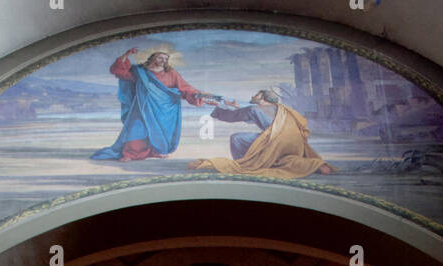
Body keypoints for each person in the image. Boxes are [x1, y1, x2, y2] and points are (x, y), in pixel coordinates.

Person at [93, 48, 223, 162]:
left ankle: (156, 151)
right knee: (136, 128)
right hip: (141, 107)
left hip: (164, 108)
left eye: (166, 58)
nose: (163, 60)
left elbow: (184, 88)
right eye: (160, 57)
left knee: (159, 131)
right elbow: (120, 72)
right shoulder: (140, 71)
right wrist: (126, 55)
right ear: (152, 57)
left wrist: (199, 96)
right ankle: (130, 153)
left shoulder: (171, 73)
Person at [191, 89, 334, 178]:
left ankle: (242, 165)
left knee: (236, 138)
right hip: (294, 144)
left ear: (264, 99)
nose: (254, 95)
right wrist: (236, 108)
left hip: (276, 140)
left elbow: (237, 116)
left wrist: (218, 107)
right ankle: (316, 165)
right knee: (285, 159)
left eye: (257, 94)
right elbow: (255, 118)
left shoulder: (255, 109)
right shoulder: (281, 109)